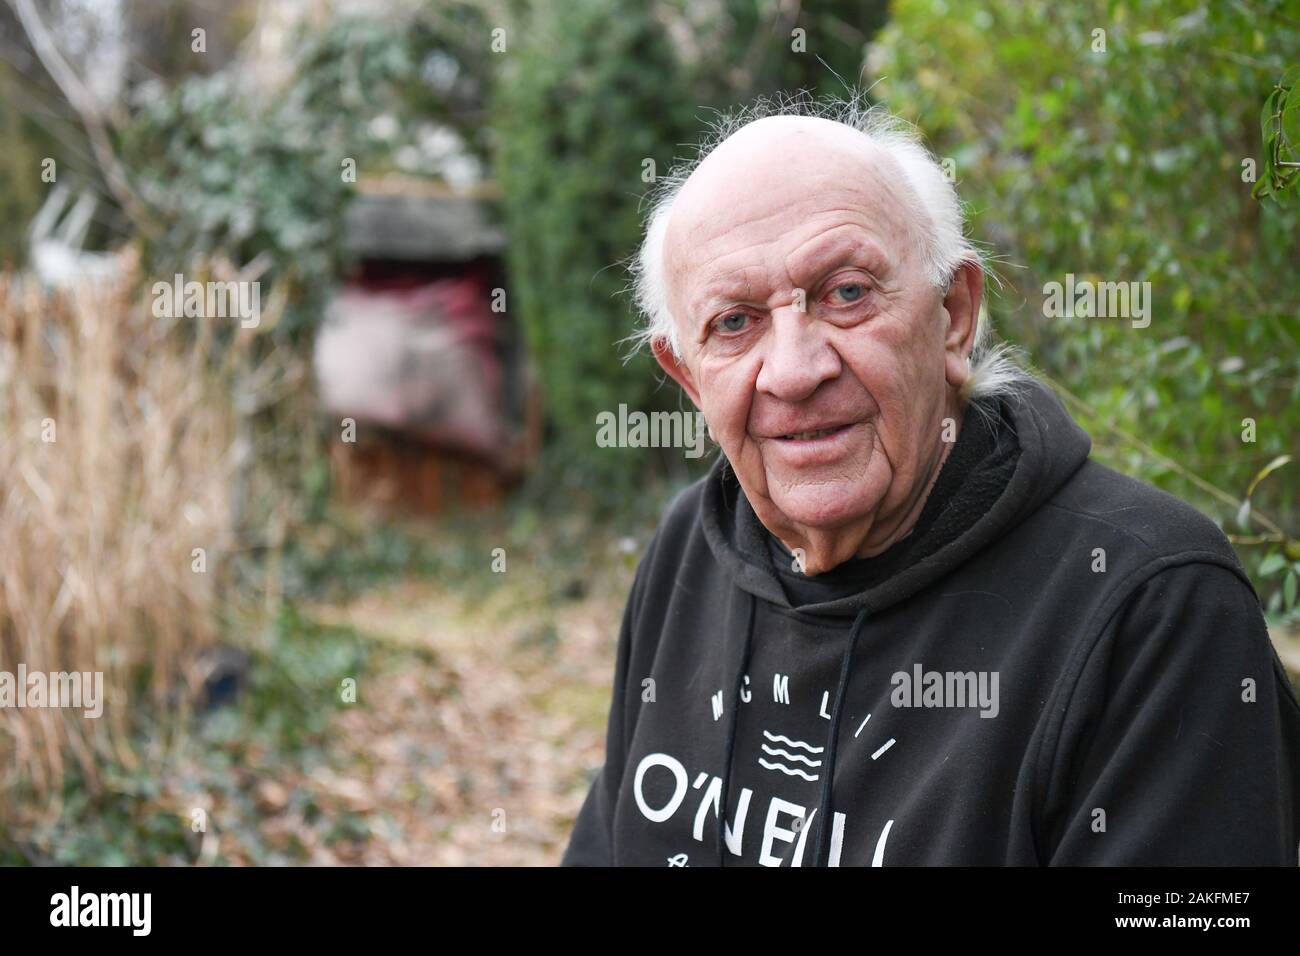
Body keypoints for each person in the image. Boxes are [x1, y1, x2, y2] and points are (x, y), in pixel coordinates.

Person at [560, 95, 1300, 866]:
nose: (794, 370)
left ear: (954, 315)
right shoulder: (691, 548)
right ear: (686, 376)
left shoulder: (1154, 607)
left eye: (845, 292)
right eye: (735, 322)